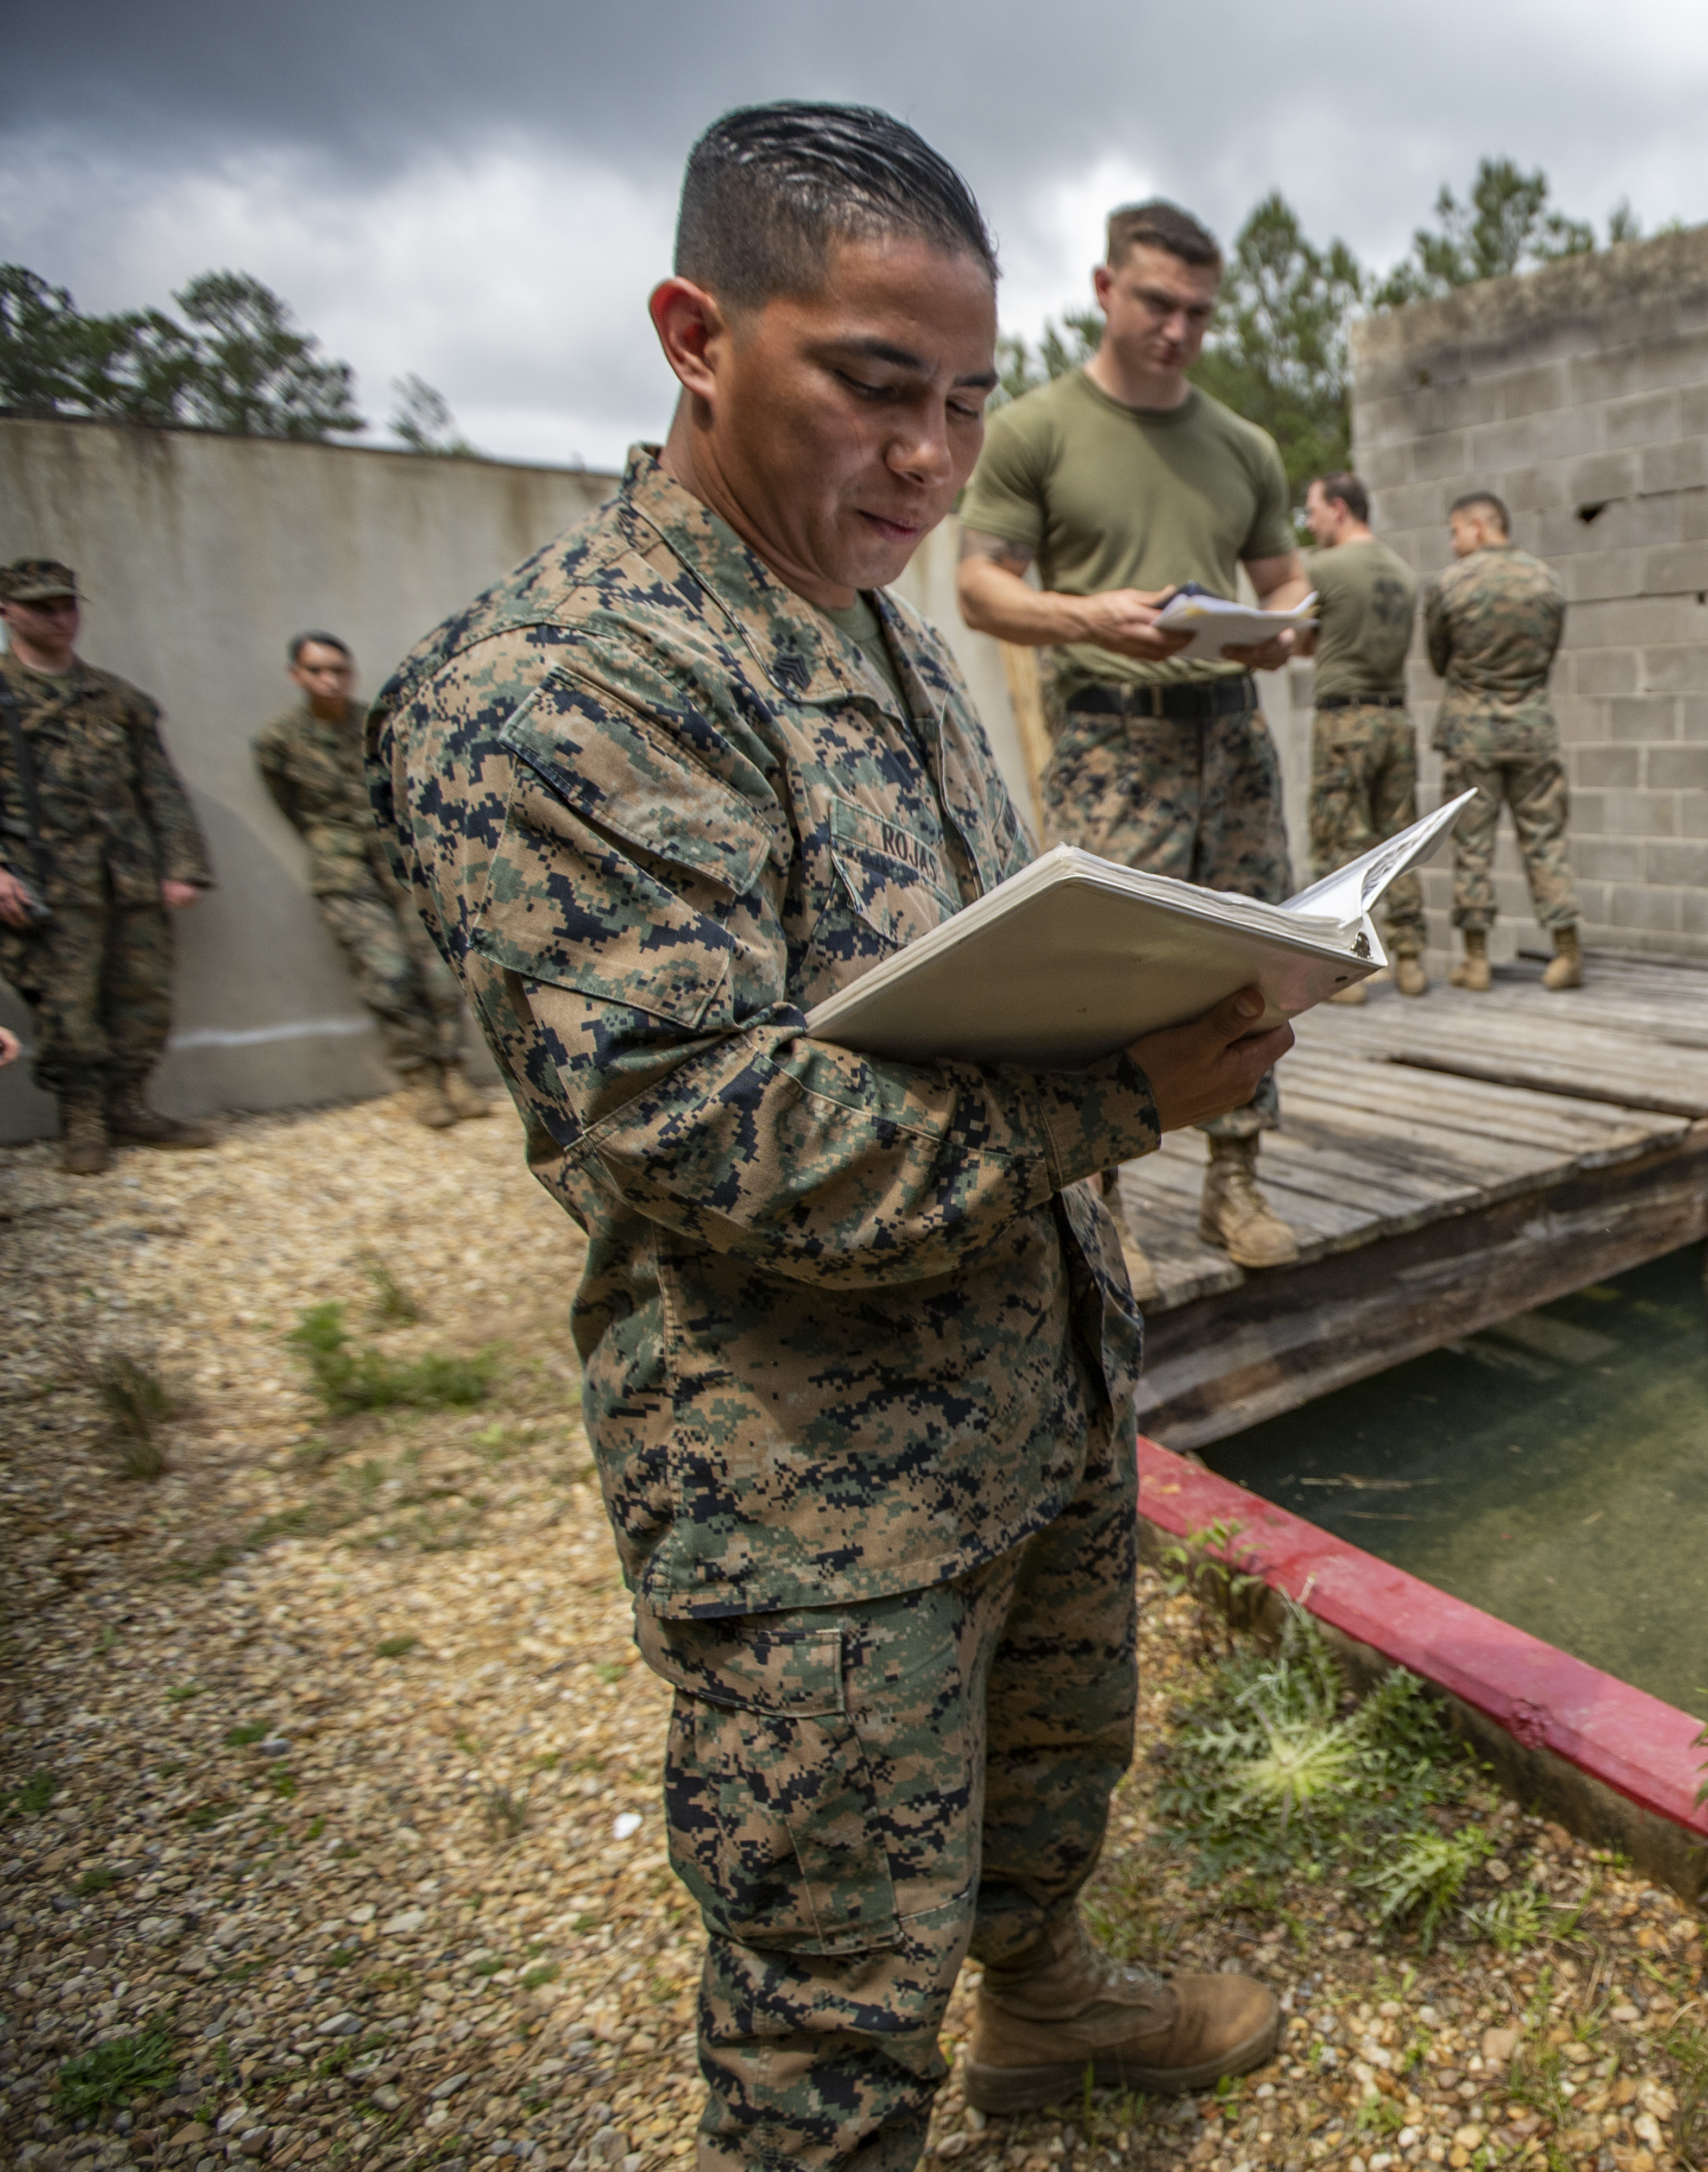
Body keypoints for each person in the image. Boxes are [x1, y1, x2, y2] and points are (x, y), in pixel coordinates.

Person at [368, 105, 1292, 2169]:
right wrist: (1132, 1091)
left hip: (1023, 1385)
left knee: (1044, 1784)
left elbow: (949, 967)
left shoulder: (877, 627)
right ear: (696, 333)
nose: (933, 458)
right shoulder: (554, 689)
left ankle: (1043, 2002)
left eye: (965, 402)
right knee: (829, 2006)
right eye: (876, 387)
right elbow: (724, 1130)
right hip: (811, 1496)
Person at [955, 198, 1307, 1272]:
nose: (1180, 329)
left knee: (1259, 953)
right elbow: (979, 585)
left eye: (1200, 311)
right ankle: (1104, 1207)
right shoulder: (1035, 429)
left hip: (1229, 734)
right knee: (1099, 974)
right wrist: (1091, 615)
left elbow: (1285, 578)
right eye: (1158, 301)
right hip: (1112, 738)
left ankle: (1234, 1185)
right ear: (1106, 290)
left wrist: (1283, 630)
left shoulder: (1240, 445)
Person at [0, 557, 216, 1175]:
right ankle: (83, 1119)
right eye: (42, 606)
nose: (60, 617)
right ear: (6, 611)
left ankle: (128, 1105)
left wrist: (182, 866)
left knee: (144, 1002)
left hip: (130, 877)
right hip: (46, 885)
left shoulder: (119, 700)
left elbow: (161, 789)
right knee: (68, 1010)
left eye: (67, 604)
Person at [253, 630, 488, 1128]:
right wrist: (331, 842)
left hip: (403, 865)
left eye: (339, 669)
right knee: (387, 975)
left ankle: (454, 1072)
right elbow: (290, 804)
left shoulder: (381, 729)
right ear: (296, 676)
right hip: (342, 871)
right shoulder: (279, 740)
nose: (329, 680)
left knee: (440, 974)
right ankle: (421, 1079)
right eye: (317, 670)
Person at [1422, 491, 1584, 992]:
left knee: (1472, 846)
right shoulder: (1548, 582)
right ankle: (1566, 952)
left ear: (1477, 526)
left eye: (1455, 532)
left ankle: (1475, 960)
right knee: (1545, 841)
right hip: (1533, 730)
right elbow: (1549, 651)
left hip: (1473, 735)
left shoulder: (1451, 584)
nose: (1453, 545)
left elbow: (1437, 658)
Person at [1296, 471, 1427, 1001]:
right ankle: (1412, 959)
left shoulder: (1323, 568)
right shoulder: (1404, 572)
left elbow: (1298, 638)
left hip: (1344, 722)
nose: (1309, 522)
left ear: (1340, 509)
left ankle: (1346, 971)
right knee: (1399, 840)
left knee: (1340, 840)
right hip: (1395, 720)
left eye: (1313, 510)